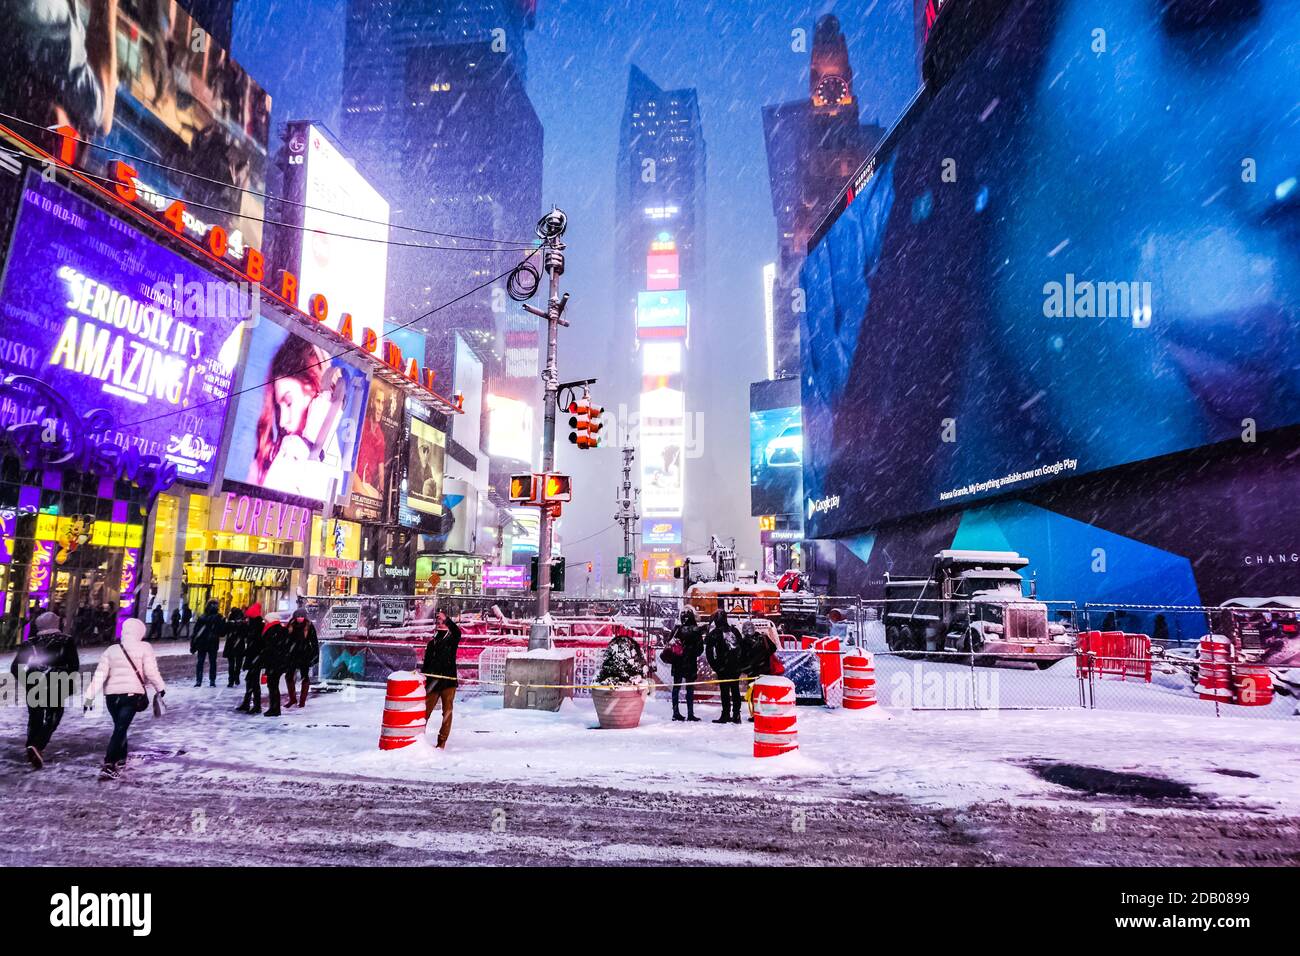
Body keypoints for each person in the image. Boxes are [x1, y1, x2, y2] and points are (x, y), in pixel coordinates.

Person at [248, 334, 348, 501]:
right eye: (279, 408)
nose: (281, 421)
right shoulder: (269, 458)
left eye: (288, 403)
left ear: (318, 397)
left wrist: (309, 441)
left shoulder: (333, 459)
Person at [84, 618, 166, 780]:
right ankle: (109, 764)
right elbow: (151, 671)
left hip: (112, 697)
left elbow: (99, 676)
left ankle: (121, 757)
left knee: (120, 726)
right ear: (140, 632)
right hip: (131, 696)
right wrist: (160, 688)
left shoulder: (111, 650)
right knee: (120, 728)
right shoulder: (145, 647)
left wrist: (89, 697)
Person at [10, 611, 80, 769]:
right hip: (57, 682)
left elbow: (15, 667)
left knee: (35, 716)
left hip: (34, 682)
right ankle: (38, 746)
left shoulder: (30, 643)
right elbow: (73, 665)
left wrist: (28, 681)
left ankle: (31, 745)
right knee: (53, 716)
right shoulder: (66, 641)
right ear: (56, 624)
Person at [421, 609, 462, 749]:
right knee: (425, 712)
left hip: (448, 681)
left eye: (443, 621)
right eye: (438, 621)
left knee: (447, 712)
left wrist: (447, 619)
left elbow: (458, 632)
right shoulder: (431, 643)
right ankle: (418, 739)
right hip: (433, 682)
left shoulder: (452, 640)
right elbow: (426, 664)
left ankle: (442, 742)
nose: (440, 623)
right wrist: (423, 677)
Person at [664, 608, 705, 722]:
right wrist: (691, 651)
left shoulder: (677, 629)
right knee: (690, 689)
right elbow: (700, 649)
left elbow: (668, 643)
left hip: (677, 662)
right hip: (690, 663)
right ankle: (690, 713)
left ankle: (676, 713)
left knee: (676, 687)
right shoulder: (696, 630)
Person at [705, 609, 744, 724]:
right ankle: (736, 715)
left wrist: (715, 666)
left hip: (723, 667)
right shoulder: (734, 630)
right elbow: (742, 647)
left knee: (725, 691)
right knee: (735, 690)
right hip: (735, 666)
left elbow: (709, 651)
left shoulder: (715, 633)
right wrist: (740, 664)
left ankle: (726, 714)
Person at [283, 608, 319, 709]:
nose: (300, 618)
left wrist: (315, 655)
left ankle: (302, 701)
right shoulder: (291, 625)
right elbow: (286, 640)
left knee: (304, 677)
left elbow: (314, 641)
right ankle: (292, 699)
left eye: (302, 616)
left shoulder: (309, 626)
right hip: (292, 654)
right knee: (289, 676)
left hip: (304, 655)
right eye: (298, 616)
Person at [259, 614, 294, 717]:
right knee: (273, 685)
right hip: (278, 662)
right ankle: (274, 708)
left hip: (274, 662)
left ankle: (274, 709)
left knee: (272, 685)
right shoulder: (281, 630)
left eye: (266, 620)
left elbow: (269, 648)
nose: (265, 622)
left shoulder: (272, 631)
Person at [236, 603, 265, 713]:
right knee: (250, 680)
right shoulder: (254, 625)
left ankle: (255, 705)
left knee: (253, 681)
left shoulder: (256, 626)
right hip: (254, 656)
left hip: (255, 657)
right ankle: (249, 703)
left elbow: (257, 643)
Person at [189, 600, 225, 688]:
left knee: (200, 662)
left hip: (202, 643)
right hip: (212, 643)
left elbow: (195, 632)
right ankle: (212, 680)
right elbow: (222, 633)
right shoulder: (218, 618)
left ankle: (199, 680)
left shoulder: (202, 617)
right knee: (212, 662)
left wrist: (193, 644)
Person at [223, 606, 245, 686]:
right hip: (239, 645)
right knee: (238, 663)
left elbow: (223, 633)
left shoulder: (229, 623)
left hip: (230, 644)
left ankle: (231, 679)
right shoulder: (242, 623)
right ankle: (236, 677)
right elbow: (245, 634)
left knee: (231, 664)